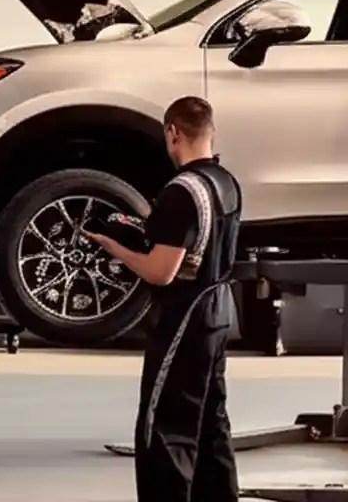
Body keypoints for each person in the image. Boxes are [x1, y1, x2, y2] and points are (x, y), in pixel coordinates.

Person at [86, 95, 241, 502]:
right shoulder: (226, 183)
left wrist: (113, 246)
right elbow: (198, 246)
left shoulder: (181, 191)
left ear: (174, 133)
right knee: (210, 423)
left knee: (164, 429)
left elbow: (161, 271)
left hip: (185, 318)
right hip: (220, 309)